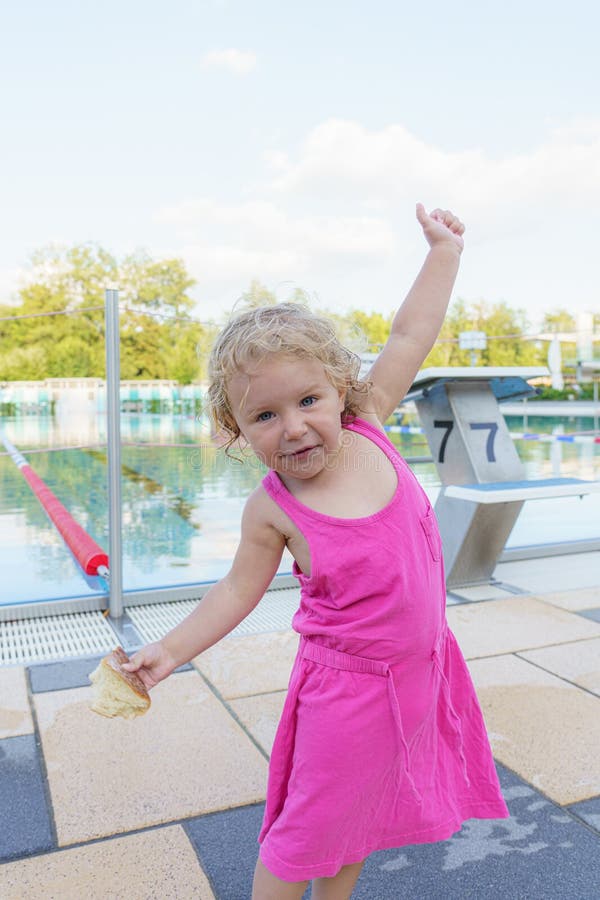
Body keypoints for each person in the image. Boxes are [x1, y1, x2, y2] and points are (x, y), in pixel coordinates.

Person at [123, 204, 509, 900]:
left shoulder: (369, 425)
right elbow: (236, 591)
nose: (294, 428)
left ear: (340, 390)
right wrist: (170, 651)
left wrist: (445, 252)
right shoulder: (274, 507)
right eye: (265, 416)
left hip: (420, 672)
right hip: (347, 696)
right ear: (236, 429)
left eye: (308, 400)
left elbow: (410, 333)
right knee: (305, 833)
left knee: (363, 820)